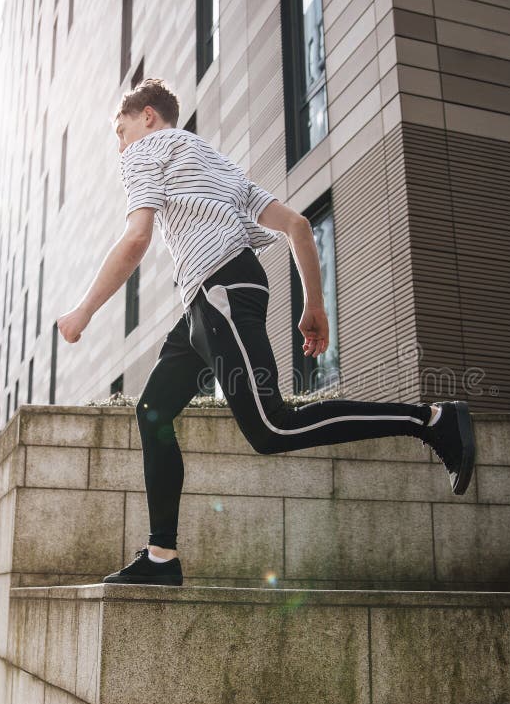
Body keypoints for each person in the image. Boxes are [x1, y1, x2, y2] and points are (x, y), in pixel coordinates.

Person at [57, 78, 476, 586]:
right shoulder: (216, 163)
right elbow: (298, 225)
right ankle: (161, 558)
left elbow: (137, 238)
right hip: (210, 300)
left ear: (147, 117)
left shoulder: (145, 151)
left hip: (220, 292)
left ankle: (431, 420)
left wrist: (83, 312)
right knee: (153, 412)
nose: (119, 147)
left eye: (120, 133)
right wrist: (314, 304)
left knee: (272, 427)